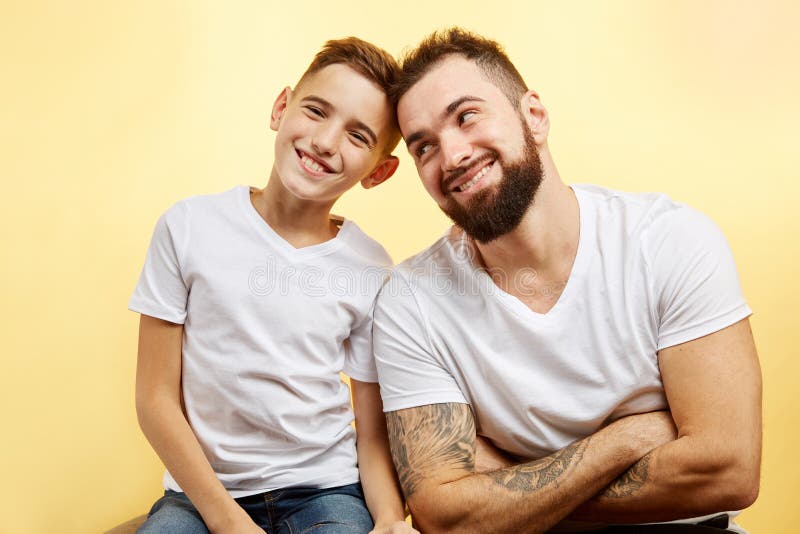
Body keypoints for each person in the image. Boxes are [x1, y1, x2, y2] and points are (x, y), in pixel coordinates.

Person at [373, 28, 761, 533]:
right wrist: (623, 441)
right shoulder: (410, 301)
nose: (452, 156)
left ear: (533, 116)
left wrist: (509, 488)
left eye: (466, 116)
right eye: (424, 147)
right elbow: (447, 520)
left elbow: (729, 471)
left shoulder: (667, 240)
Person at [129, 37, 416, 534]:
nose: (326, 141)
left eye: (358, 136)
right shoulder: (188, 226)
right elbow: (155, 399)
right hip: (201, 499)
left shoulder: (370, 266)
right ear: (282, 108)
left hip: (325, 494)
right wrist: (227, 521)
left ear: (380, 171)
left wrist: (389, 517)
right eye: (316, 110)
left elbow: (370, 434)